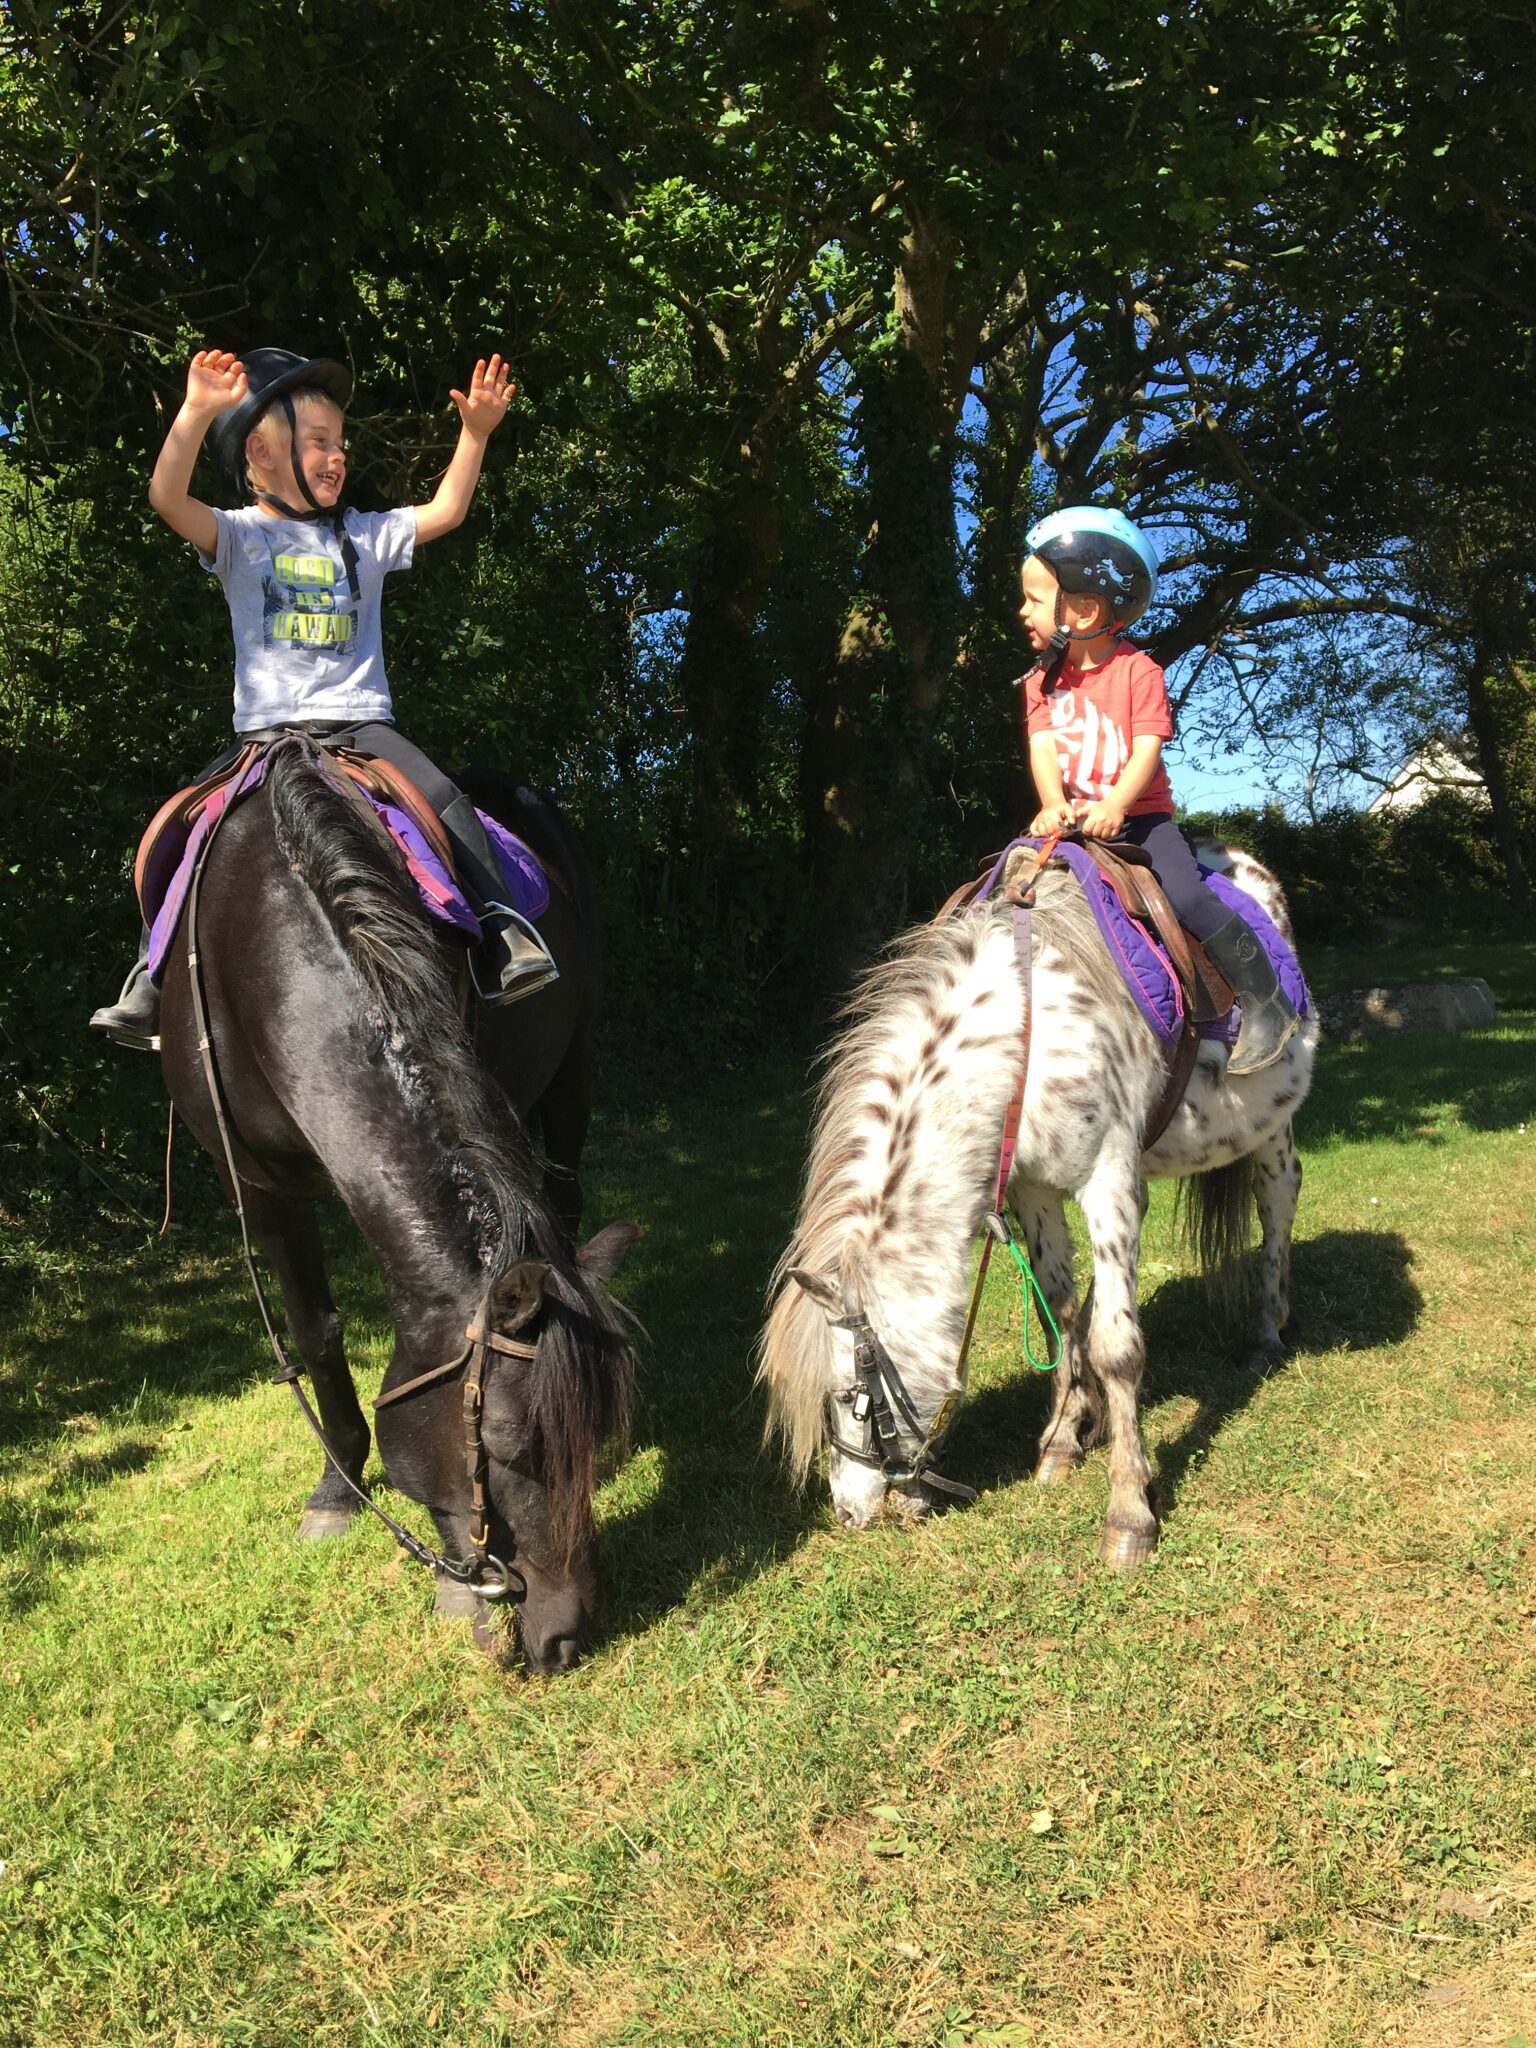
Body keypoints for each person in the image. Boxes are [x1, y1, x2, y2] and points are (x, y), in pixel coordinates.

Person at [89, 346, 556, 1049]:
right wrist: (193, 412)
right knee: (186, 829)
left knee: (442, 799)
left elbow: (448, 509)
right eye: (319, 443)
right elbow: (166, 497)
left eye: (340, 444)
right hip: (267, 738)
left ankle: (501, 932)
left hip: (359, 727)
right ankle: (154, 977)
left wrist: (477, 434)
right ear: (261, 452)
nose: (338, 456)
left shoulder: (363, 536)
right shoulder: (241, 537)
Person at [1019, 505, 1297, 1075]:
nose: (1021, 610)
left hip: (1141, 820)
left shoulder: (1138, 671)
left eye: (1033, 597)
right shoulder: (1037, 684)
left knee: (1185, 894)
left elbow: (1147, 748)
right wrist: (1051, 805)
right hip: (1071, 822)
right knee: (1011, 885)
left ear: (1085, 608)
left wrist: (1117, 805)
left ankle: (1265, 1001)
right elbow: (1043, 748)